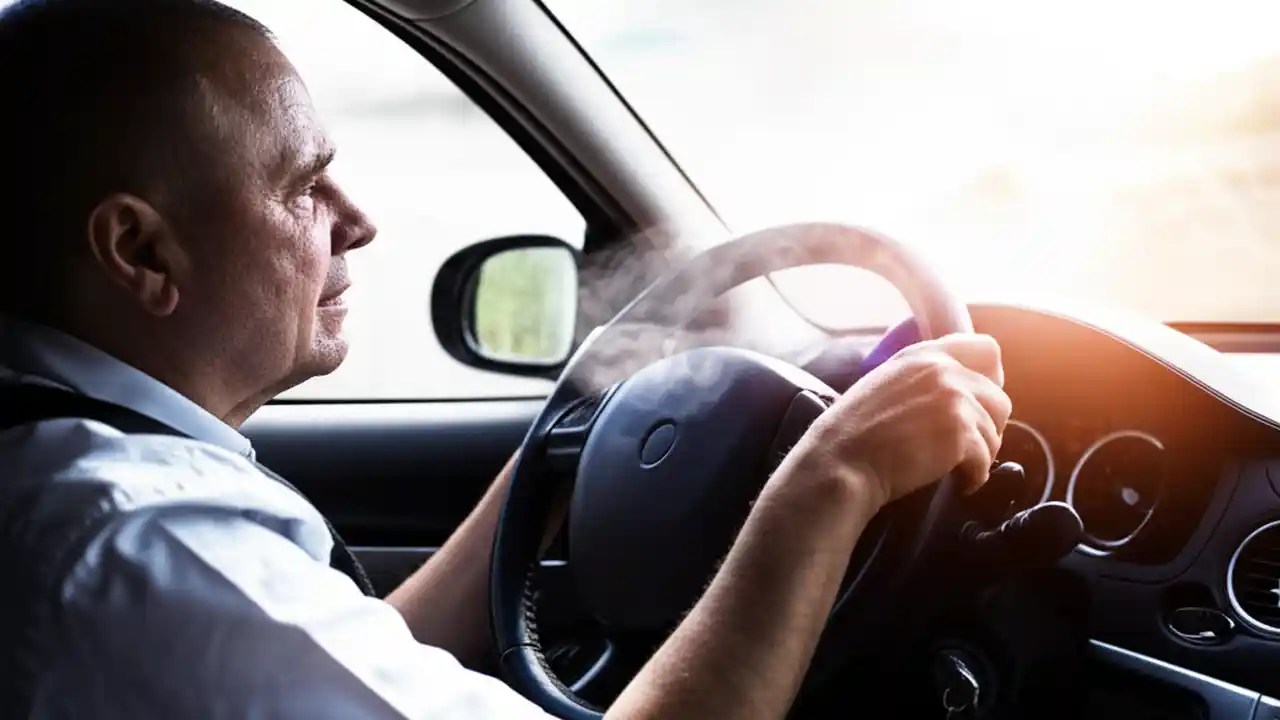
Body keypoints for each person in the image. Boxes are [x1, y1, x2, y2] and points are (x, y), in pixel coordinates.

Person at [0, 0, 1011, 718]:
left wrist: (573, 419)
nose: (355, 223)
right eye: (302, 186)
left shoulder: (72, 477)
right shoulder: (137, 543)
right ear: (140, 251)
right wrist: (835, 476)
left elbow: (354, 665)